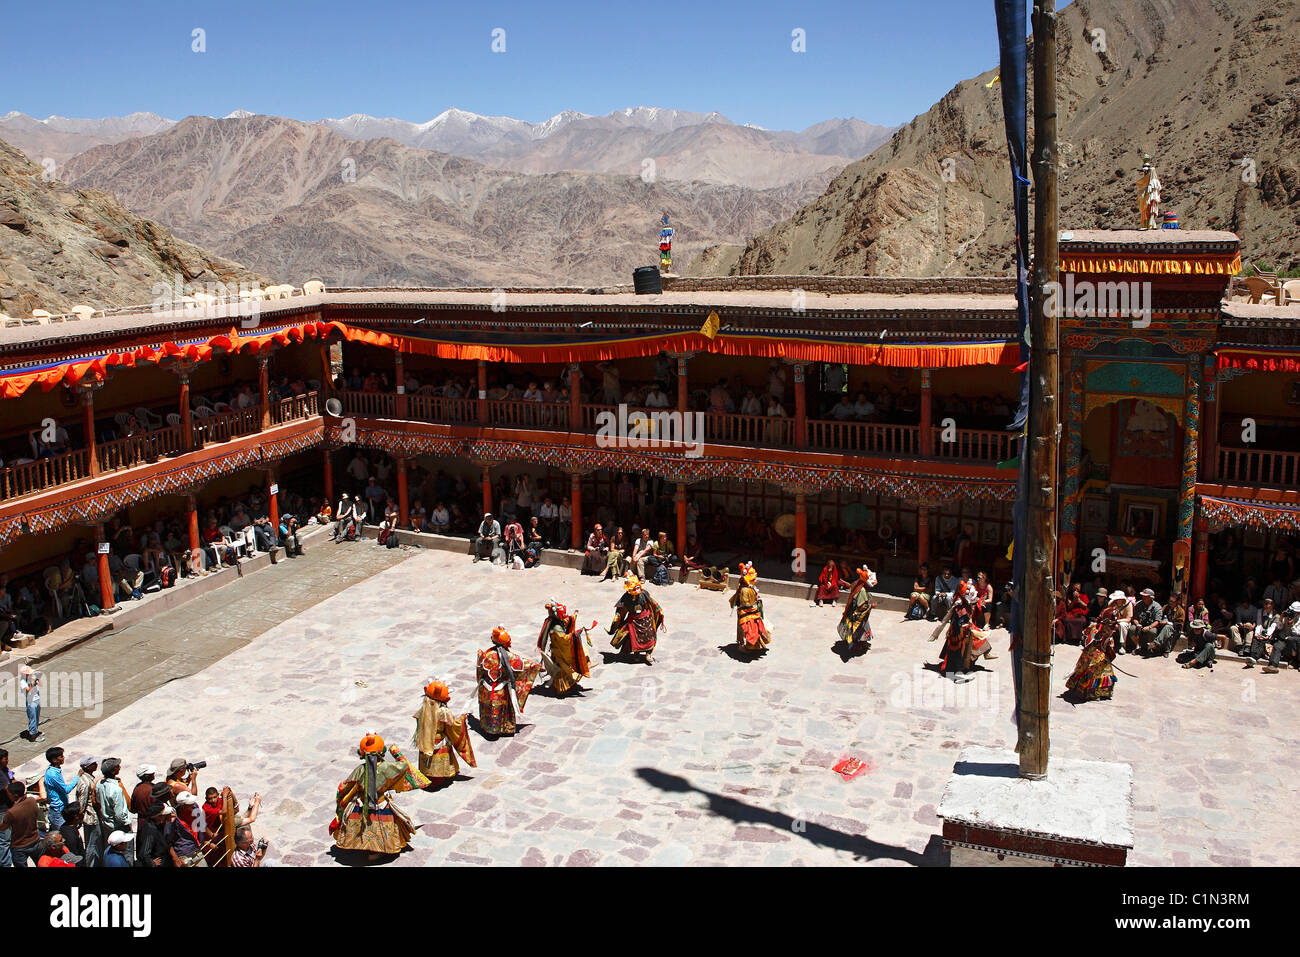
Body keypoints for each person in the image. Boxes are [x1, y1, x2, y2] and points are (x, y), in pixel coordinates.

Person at [329, 733, 424, 855]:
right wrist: (396, 752)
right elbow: (405, 766)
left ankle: (362, 846)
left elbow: (346, 786)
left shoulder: (360, 770)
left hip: (362, 805)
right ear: (382, 751)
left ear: (362, 753)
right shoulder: (388, 768)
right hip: (381, 803)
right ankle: (380, 849)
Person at [476, 627, 542, 737]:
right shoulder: (508, 657)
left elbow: (479, 669)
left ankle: (488, 727)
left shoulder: (486, 654)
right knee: (501, 709)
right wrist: (535, 666)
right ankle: (501, 728)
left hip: (486, 689)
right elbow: (523, 664)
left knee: (488, 707)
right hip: (500, 690)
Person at [412, 679, 477, 786]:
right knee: (438, 758)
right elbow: (452, 724)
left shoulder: (424, 708)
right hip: (439, 740)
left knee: (427, 758)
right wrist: (461, 719)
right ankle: (438, 777)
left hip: (424, 738)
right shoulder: (443, 711)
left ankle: (427, 775)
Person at [1064, 592, 1125, 702]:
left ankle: (1096, 692)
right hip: (1096, 651)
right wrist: (1108, 641)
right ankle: (1091, 693)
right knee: (1096, 670)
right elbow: (1103, 635)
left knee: (1100, 670)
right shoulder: (1107, 618)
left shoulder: (1105, 617)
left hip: (1096, 649)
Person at [936, 581, 997, 673]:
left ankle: (984, 654)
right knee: (973, 643)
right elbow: (960, 624)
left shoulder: (965, 604)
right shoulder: (962, 609)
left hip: (963, 630)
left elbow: (977, 603)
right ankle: (964, 665)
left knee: (979, 636)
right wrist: (967, 627)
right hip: (959, 634)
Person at [609, 573, 665, 666]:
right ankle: (636, 654)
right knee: (635, 638)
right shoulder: (626, 597)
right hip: (634, 620)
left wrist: (659, 609)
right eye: (635, 588)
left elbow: (652, 602)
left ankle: (648, 654)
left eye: (638, 587)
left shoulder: (644, 593)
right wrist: (618, 616)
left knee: (649, 636)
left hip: (646, 619)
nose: (637, 589)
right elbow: (621, 609)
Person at [537, 600, 592, 695]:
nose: (565, 615)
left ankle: (568, 685)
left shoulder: (555, 620)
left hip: (560, 648)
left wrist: (575, 615)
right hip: (560, 650)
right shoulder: (556, 627)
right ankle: (562, 688)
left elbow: (568, 620)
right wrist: (576, 634)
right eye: (564, 613)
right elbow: (565, 639)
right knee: (563, 667)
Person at [729, 562, 772, 657]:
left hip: (752, 611)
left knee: (755, 629)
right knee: (746, 630)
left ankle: (753, 645)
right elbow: (745, 603)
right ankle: (744, 645)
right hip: (746, 613)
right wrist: (753, 606)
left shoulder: (749, 587)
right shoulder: (744, 590)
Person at [95, 758, 132, 864]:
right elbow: (120, 814)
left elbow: (98, 800)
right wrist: (127, 823)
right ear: (112, 771)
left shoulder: (99, 784)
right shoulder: (116, 789)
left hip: (107, 824)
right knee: (126, 855)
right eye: (117, 766)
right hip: (119, 825)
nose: (119, 767)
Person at [837, 565, 877, 654]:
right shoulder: (862, 591)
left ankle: (862, 642)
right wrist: (871, 606)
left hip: (852, 611)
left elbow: (851, 587)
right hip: (857, 615)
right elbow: (862, 606)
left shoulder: (858, 583)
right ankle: (857, 644)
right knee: (859, 629)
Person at [0, 780, 40, 868]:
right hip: (35, 841)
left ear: (15, 796)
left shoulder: (11, 812)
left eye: (9, 794)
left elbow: (2, 828)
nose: (7, 796)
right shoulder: (32, 801)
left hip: (19, 846)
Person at [42, 747, 78, 832]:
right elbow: (66, 790)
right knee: (62, 834)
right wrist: (78, 777)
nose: (63, 758)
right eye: (61, 756)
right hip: (58, 811)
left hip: (60, 809)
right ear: (54, 760)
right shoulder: (53, 775)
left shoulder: (55, 771)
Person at [74, 756, 101, 868]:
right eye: (94, 763)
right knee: (92, 844)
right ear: (89, 767)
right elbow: (82, 803)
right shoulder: (85, 782)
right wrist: (80, 818)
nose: (96, 764)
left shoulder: (88, 778)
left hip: (92, 817)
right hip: (91, 818)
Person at [1132, 588, 1174, 657]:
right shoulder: (1138, 604)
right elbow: (1135, 618)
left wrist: (1149, 627)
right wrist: (1137, 624)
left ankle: (1152, 649)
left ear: (1151, 598)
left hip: (1152, 625)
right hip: (1141, 624)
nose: (1143, 598)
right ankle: (1139, 647)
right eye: (1143, 596)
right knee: (1132, 629)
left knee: (1152, 631)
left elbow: (1157, 621)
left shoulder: (1157, 607)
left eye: (1146, 596)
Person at [1261, 601, 1300, 674]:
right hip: (1285, 638)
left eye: (1294, 612)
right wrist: (1281, 619)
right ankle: (1273, 666)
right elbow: (1279, 628)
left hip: (1295, 641)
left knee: (1293, 640)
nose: (1293, 613)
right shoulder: (1287, 616)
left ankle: (1295, 662)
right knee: (1277, 646)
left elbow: (1298, 633)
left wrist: (1292, 625)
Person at [18, 665, 40, 741]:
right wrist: (32, 683)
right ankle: (33, 736)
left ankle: (36, 731)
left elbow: (39, 684)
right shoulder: (22, 682)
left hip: (37, 699)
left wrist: (36, 681)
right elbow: (28, 690)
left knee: (37, 716)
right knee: (32, 718)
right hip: (31, 701)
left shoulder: (31, 678)